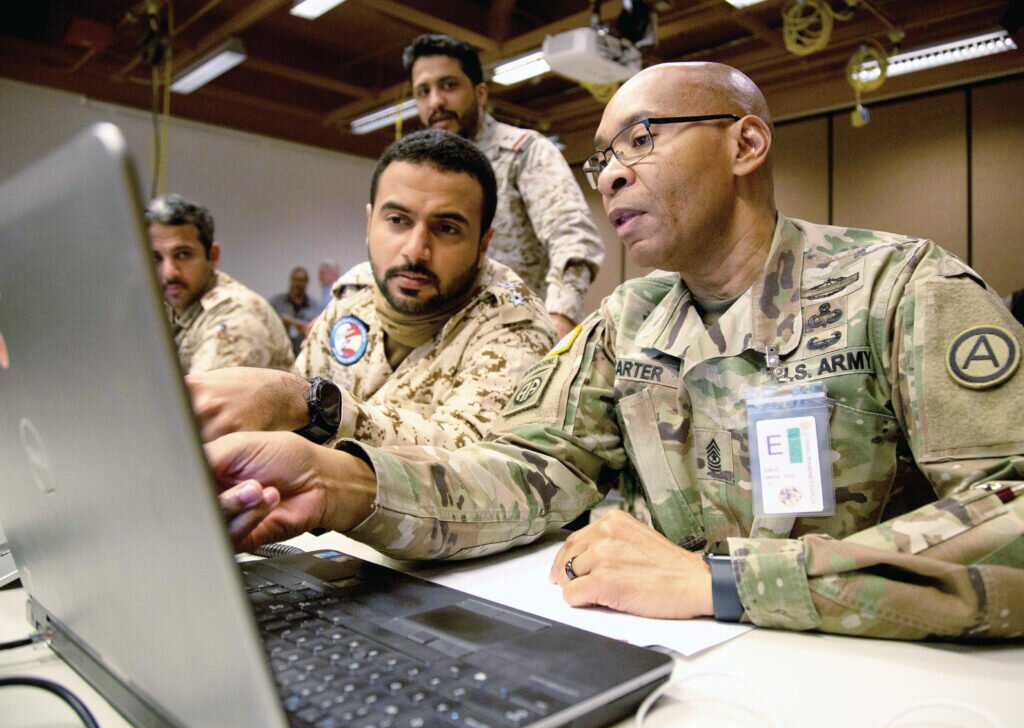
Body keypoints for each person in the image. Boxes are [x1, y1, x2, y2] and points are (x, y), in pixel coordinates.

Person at [208, 63, 1024, 640]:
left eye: (640, 139)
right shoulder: (627, 321)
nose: (609, 177)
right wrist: (343, 482)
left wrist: (728, 583)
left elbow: (1012, 506)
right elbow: (526, 470)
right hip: (687, 670)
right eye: (602, 158)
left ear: (745, 145)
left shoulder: (901, 290)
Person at [189, 129, 556, 451]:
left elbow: (471, 460)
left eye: (446, 228)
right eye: (397, 220)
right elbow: (294, 417)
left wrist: (318, 408)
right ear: (369, 223)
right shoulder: (355, 294)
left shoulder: (515, 326)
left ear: (483, 244)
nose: (415, 250)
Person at [403, 33, 605, 338]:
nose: (436, 101)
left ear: (480, 93)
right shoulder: (420, 172)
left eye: (448, 85)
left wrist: (559, 320)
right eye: (423, 91)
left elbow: (574, 238)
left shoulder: (524, 152)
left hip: (519, 339)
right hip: (444, 339)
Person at [147, 194, 294, 374]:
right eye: (156, 258)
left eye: (183, 255)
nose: (169, 273)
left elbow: (202, 392)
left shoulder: (236, 316)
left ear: (213, 256)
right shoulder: (171, 307)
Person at [270, 266, 319, 355]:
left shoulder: (315, 306)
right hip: (280, 354)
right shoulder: (276, 303)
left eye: (301, 280)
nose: (298, 284)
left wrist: (294, 323)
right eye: (295, 280)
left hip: (304, 354)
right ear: (291, 281)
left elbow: (317, 331)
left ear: (307, 282)